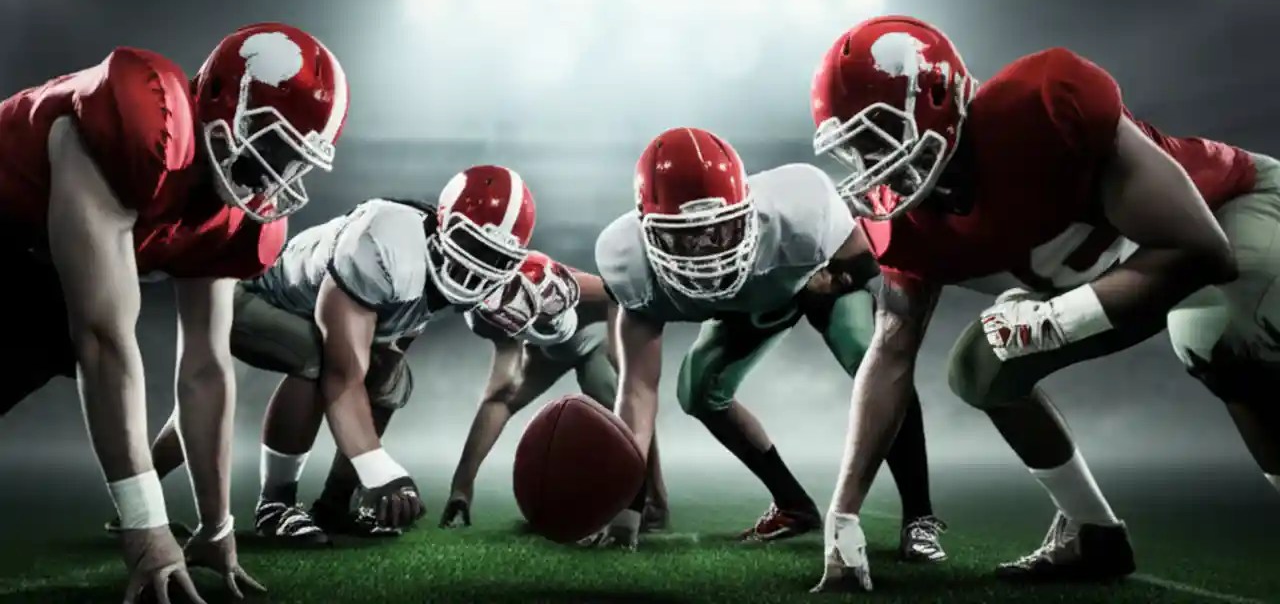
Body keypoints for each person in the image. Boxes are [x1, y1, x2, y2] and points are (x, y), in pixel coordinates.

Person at [806, 15, 1279, 592]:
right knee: (980, 368)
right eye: (856, 148)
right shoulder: (905, 220)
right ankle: (1093, 534)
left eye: (879, 136)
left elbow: (1204, 251)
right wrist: (845, 510)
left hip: (1229, 208)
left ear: (935, 95)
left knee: (1222, 335)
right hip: (1114, 274)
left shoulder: (1041, 108)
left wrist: (1056, 320)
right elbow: (891, 353)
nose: (873, 163)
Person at [0, 22, 348, 603]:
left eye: (292, 160)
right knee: (74, 324)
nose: (274, 175)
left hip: (33, 271)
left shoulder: (232, 215)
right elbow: (105, 339)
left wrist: (217, 527)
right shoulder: (137, 126)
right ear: (219, 101)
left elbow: (207, 368)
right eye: (269, 146)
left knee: (46, 330)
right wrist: (146, 527)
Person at [108, 168, 538, 544]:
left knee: (392, 379)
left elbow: (387, 352)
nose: (478, 267)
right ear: (444, 226)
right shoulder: (385, 243)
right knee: (314, 358)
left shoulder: (444, 274)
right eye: (471, 245)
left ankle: (334, 504)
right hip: (249, 290)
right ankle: (274, 505)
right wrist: (380, 471)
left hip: (311, 313)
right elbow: (341, 376)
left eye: (496, 258)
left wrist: (383, 384)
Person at [593, 126, 945, 557]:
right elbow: (638, 391)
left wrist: (832, 281)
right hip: (749, 310)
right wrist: (624, 513)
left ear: (748, 208)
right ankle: (794, 505)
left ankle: (920, 518)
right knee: (697, 393)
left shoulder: (801, 211)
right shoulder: (631, 265)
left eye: (721, 231)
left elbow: (865, 263)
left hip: (813, 284)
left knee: (869, 356)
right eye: (683, 238)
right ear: (646, 231)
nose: (707, 253)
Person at [439, 254, 671, 532]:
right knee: (501, 398)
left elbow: (614, 292)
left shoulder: (554, 280)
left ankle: (651, 497)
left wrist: (617, 351)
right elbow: (500, 392)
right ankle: (462, 490)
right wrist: (460, 489)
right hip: (541, 346)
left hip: (593, 333)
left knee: (625, 406)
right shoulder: (489, 311)